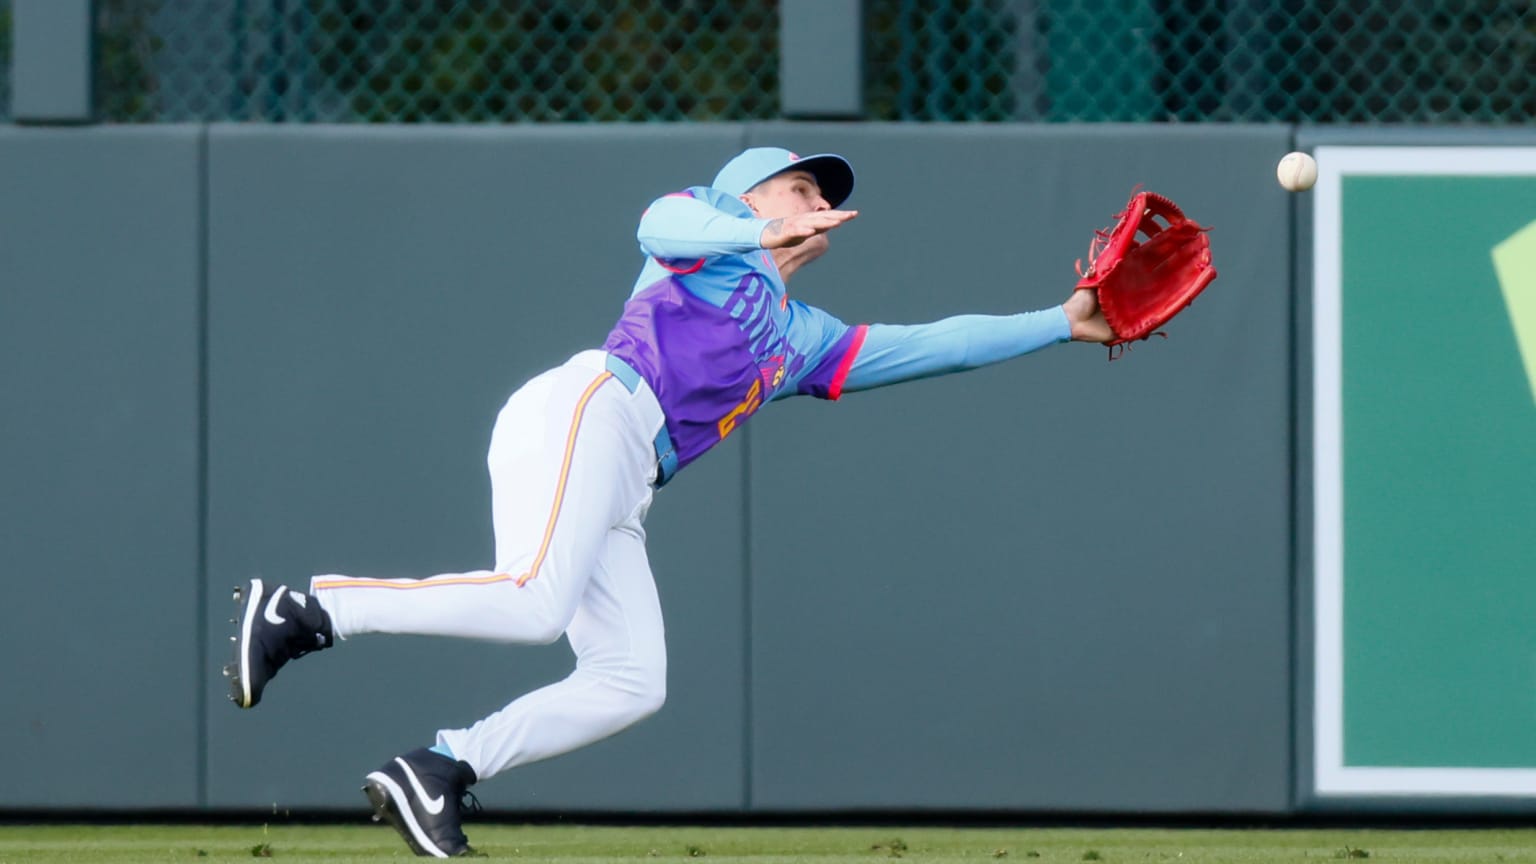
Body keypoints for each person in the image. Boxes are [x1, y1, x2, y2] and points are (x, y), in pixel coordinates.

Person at [227, 146, 1113, 857]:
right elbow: (660, 216)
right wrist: (752, 233)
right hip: (591, 409)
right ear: (748, 195)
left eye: (817, 194)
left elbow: (940, 344)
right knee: (534, 605)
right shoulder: (702, 233)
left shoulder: (802, 338)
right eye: (798, 184)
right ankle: (308, 610)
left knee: (630, 680)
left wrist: (1062, 320)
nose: (813, 202)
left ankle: (442, 765)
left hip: (628, 478)